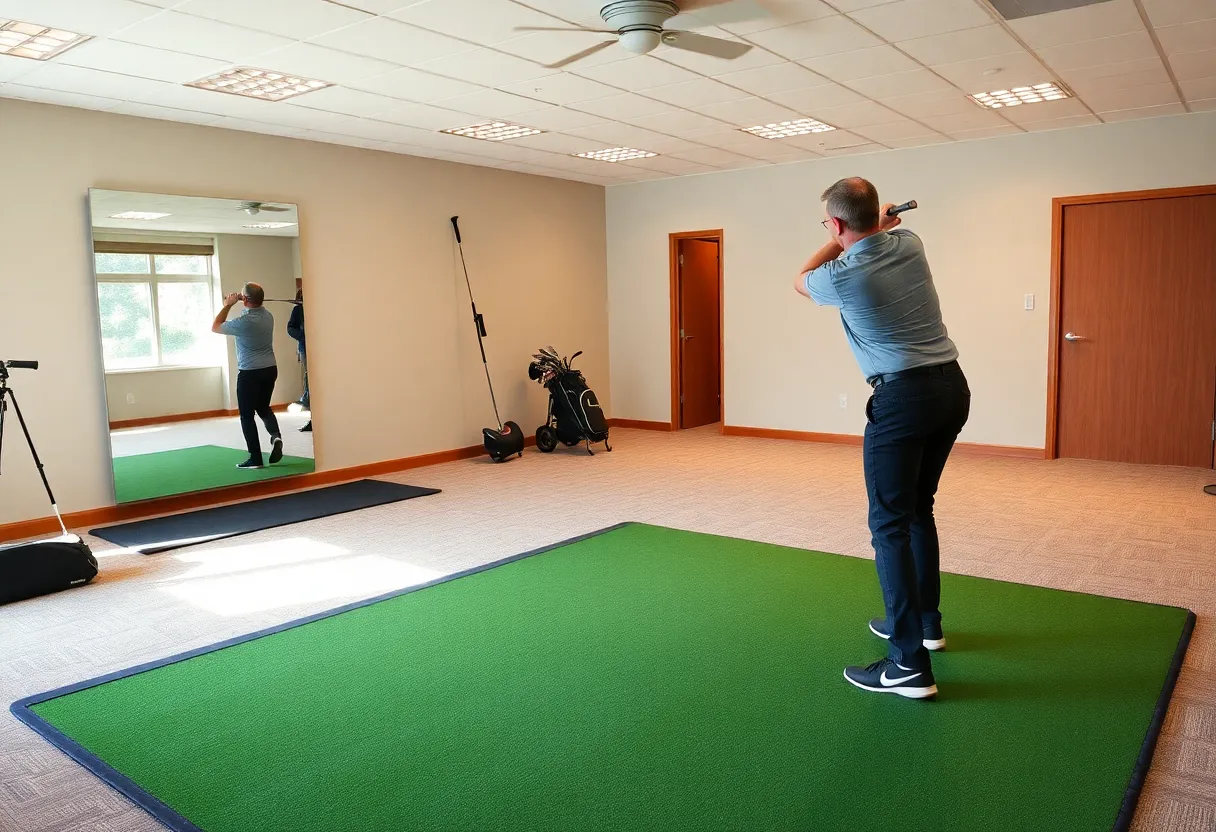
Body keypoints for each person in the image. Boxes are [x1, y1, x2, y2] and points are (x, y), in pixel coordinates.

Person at [795, 178, 970, 700]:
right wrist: (875, 227)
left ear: (837, 224)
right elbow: (873, 233)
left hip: (902, 401)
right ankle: (926, 624)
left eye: (830, 223)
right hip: (951, 389)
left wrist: (838, 236)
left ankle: (908, 664)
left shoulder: (843, 274)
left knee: (889, 524)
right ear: (879, 216)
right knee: (917, 509)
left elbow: (800, 279)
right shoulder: (909, 242)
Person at [212, 282, 284, 469]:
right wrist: (242, 299)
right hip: (270, 369)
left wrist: (228, 305)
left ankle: (255, 458)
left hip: (250, 373)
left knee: (246, 415)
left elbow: (216, 326)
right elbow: (250, 309)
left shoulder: (244, 323)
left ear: (245, 299)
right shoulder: (268, 316)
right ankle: (276, 436)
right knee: (263, 407)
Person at [286, 286, 311, 433]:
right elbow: (290, 328)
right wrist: (304, 337)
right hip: (305, 347)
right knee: (309, 376)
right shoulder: (297, 310)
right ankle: (307, 401)